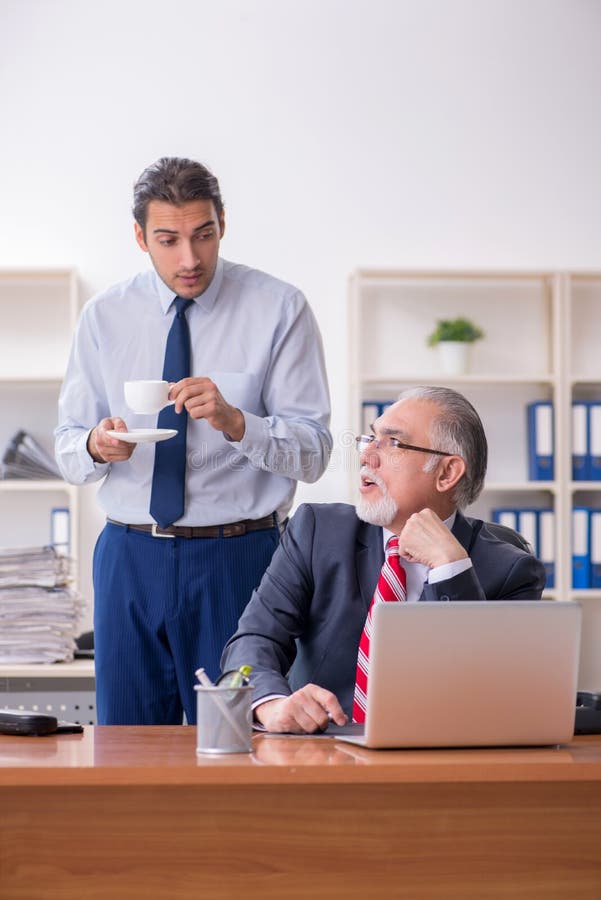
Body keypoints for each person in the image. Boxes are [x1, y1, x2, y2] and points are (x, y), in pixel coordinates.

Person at [55, 157, 332, 726]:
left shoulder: (279, 309)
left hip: (240, 560)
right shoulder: (103, 316)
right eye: (168, 240)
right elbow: (66, 446)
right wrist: (95, 446)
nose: (190, 258)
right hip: (129, 558)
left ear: (222, 223)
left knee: (240, 741)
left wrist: (238, 423)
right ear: (140, 238)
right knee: (125, 749)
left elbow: (315, 452)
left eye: (203, 234)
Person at [221, 385, 546, 734]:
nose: (367, 456)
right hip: (323, 746)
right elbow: (253, 641)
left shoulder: (511, 571)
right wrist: (271, 704)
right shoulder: (317, 531)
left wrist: (452, 571)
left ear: (446, 473)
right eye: (370, 439)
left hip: (440, 752)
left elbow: (490, 696)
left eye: (392, 443)